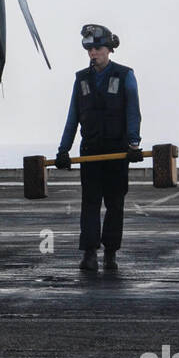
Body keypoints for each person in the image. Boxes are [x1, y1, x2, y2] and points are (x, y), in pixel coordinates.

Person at [55, 24, 142, 272]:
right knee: (90, 203)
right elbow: (73, 116)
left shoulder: (126, 75)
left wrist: (133, 143)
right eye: (90, 49)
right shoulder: (81, 79)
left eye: (98, 48)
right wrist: (64, 149)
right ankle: (90, 253)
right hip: (91, 152)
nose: (93, 53)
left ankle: (111, 253)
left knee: (115, 203)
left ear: (109, 49)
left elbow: (133, 111)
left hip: (117, 152)